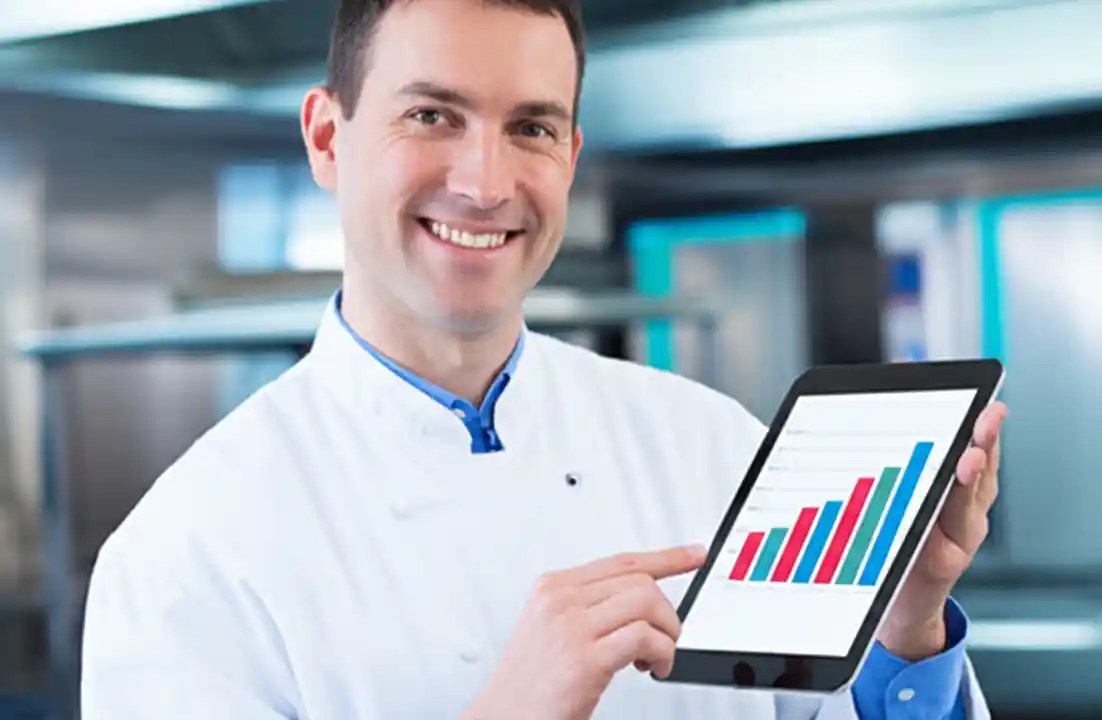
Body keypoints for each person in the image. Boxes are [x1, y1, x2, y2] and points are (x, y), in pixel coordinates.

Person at [79, 0, 1006, 718]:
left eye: (531, 127)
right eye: (434, 115)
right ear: (328, 137)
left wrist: (905, 627)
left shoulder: (717, 446)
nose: (485, 184)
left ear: (570, 152)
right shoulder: (187, 555)